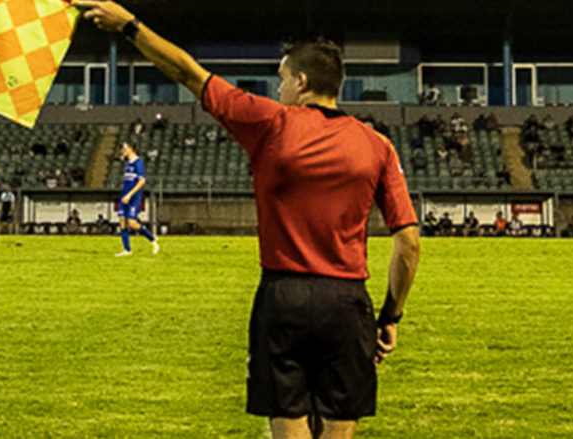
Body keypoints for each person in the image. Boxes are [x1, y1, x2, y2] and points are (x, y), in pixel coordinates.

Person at [75, 4, 420, 438]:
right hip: (346, 303)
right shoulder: (378, 146)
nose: (278, 90)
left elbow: (188, 73)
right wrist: (390, 316)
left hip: (283, 297)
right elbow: (408, 244)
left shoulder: (271, 122)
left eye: (281, 80)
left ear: (302, 81)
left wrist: (130, 26)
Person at [114, 142, 159, 256]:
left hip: (133, 196)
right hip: (124, 195)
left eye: (125, 148)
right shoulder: (127, 163)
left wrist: (130, 194)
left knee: (133, 223)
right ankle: (127, 250)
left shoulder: (138, 163)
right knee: (122, 222)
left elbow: (142, 181)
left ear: (131, 148)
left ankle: (152, 240)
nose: (123, 150)